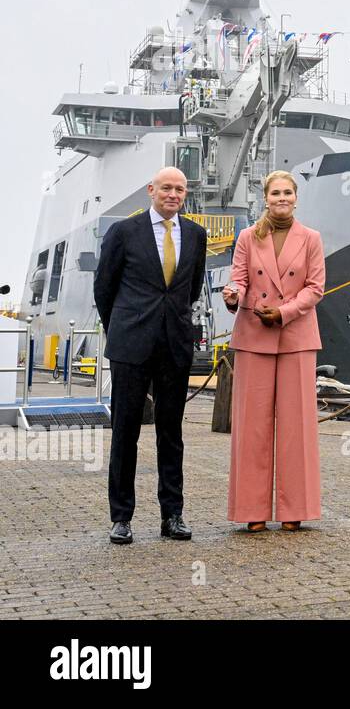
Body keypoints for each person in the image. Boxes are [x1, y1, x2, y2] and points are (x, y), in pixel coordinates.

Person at [93, 166, 208, 545]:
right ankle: (121, 517)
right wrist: (124, 327)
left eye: (180, 189)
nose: (173, 194)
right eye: (166, 188)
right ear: (151, 190)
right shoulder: (124, 232)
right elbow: (104, 288)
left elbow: (190, 290)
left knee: (171, 433)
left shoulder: (195, 234)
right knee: (125, 431)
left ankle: (172, 515)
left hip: (174, 344)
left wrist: (169, 323)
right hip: (131, 344)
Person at [223, 170, 325, 533]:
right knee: (252, 426)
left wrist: (283, 313)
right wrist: (233, 294)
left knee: (298, 426)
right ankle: (251, 510)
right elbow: (239, 278)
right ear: (265, 198)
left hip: (295, 335)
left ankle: (295, 509)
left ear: (296, 198)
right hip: (254, 334)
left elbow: (315, 288)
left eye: (287, 193)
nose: (281, 199)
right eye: (275, 193)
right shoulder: (248, 238)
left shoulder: (311, 239)